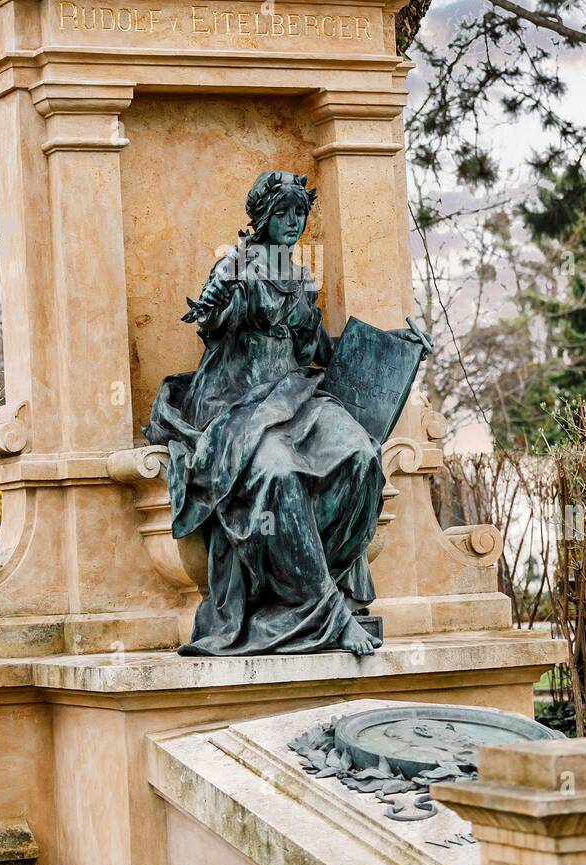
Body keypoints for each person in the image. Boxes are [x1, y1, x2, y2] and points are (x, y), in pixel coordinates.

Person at [146, 170, 414, 657]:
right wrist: (219, 300)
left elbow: (319, 349)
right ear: (263, 217)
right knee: (277, 470)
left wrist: (399, 348)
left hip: (294, 395)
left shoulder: (300, 276)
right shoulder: (235, 267)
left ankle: (316, 579)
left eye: (300, 213)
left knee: (361, 455)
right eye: (283, 212)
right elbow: (210, 319)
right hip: (235, 402)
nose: (293, 222)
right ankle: (321, 608)